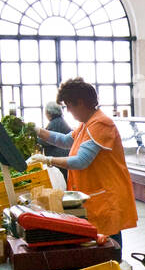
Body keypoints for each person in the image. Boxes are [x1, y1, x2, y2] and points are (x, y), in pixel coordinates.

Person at [32, 79, 137, 258]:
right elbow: (65, 141)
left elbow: (81, 161)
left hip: (106, 197)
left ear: (80, 103)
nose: (69, 111)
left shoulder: (101, 124)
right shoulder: (87, 123)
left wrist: (48, 159)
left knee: (109, 248)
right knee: (100, 245)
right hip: (96, 195)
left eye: (68, 106)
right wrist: (38, 131)